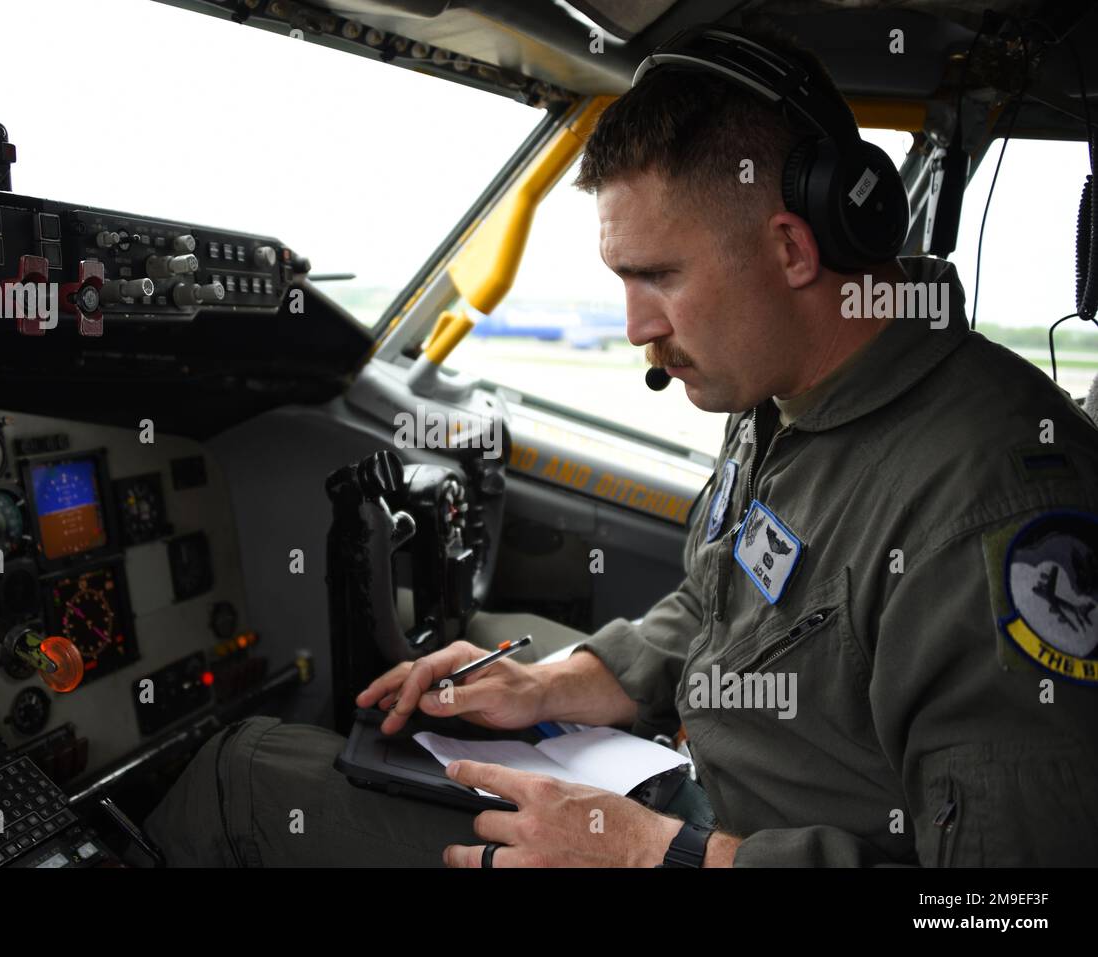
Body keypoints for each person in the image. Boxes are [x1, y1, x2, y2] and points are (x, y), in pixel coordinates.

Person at [141, 25, 1098, 867]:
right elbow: (727, 600)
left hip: (701, 841)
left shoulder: (992, 514)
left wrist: (657, 853)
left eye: (657, 276)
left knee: (241, 776)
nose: (637, 326)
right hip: (698, 793)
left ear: (796, 249)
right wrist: (559, 682)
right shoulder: (787, 390)